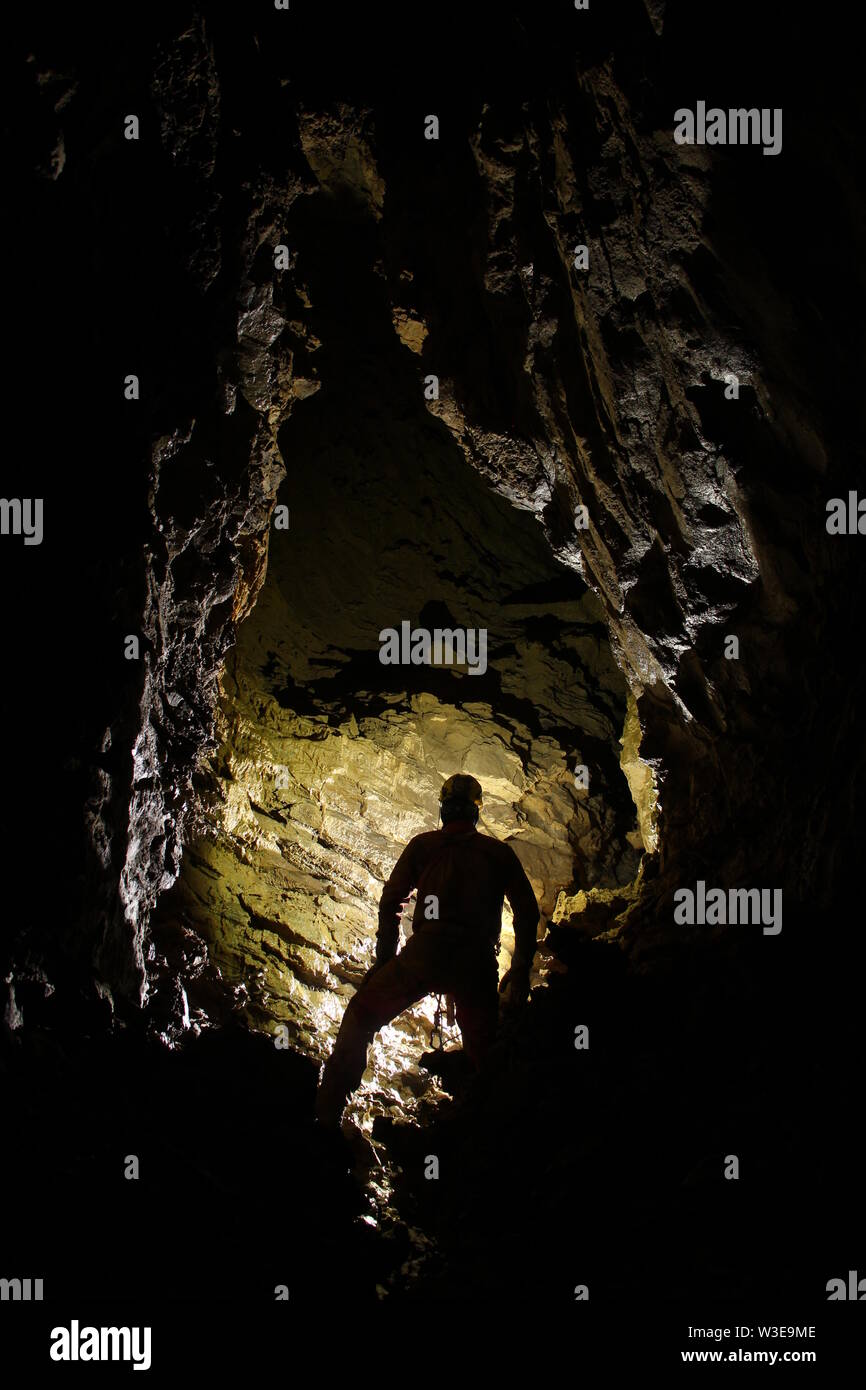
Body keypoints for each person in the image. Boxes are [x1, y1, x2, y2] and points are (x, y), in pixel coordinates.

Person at [314, 773, 540, 1129]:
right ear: (475, 812)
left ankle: (326, 1117)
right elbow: (527, 912)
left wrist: (385, 959)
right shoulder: (497, 853)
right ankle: (492, 1133)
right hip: (475, 962)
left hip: (425, 955)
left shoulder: (424, 846)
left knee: (361, 1017)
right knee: (486, 1052)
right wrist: (522, 967)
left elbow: (392, 901)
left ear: (443, 810)